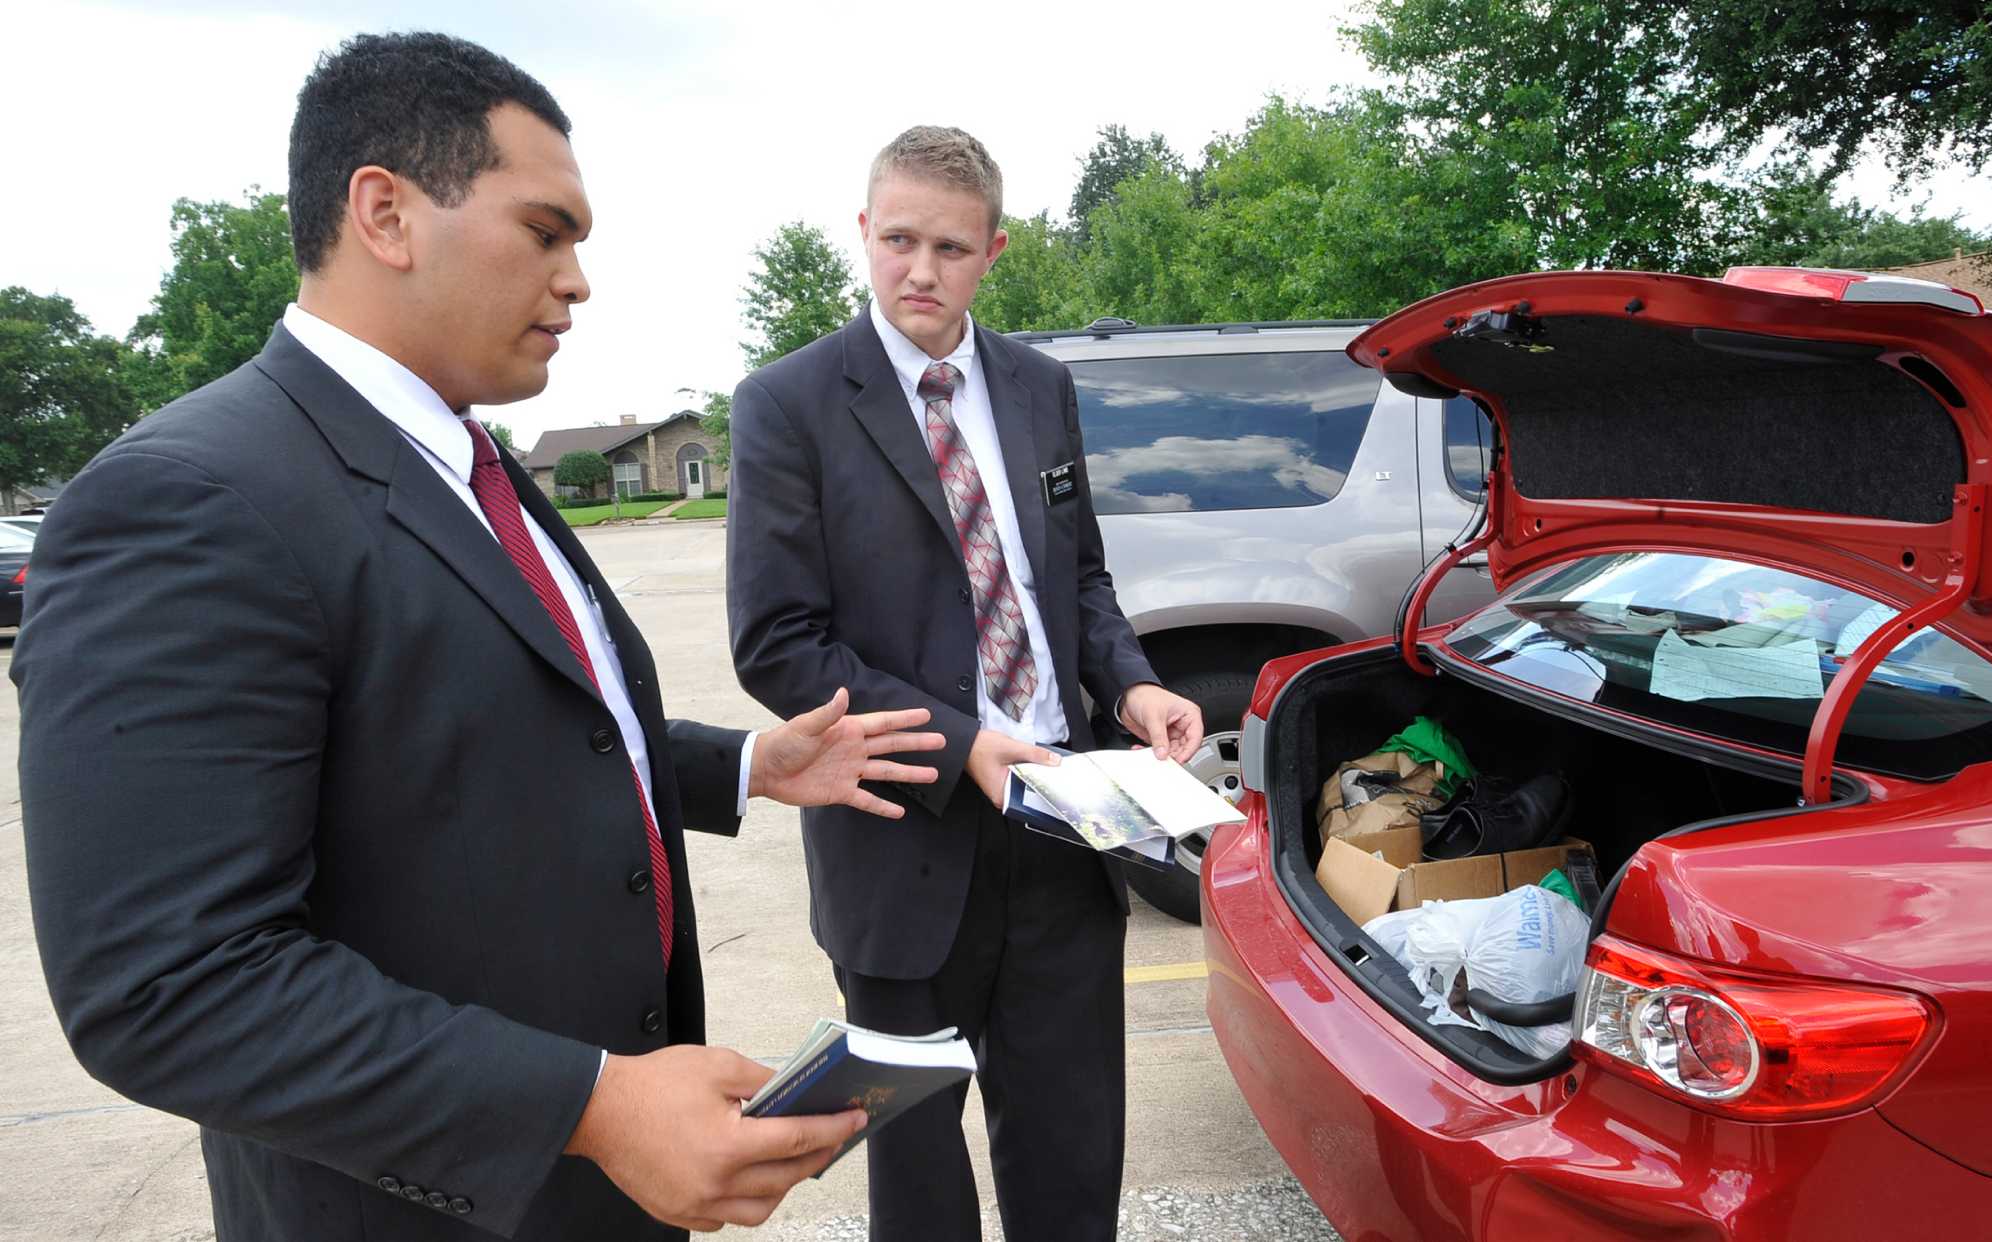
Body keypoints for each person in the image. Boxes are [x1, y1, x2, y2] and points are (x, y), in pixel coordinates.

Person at [12, 32, 946, 1242]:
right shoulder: (189, 499)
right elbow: (170, 987)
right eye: (545, 232)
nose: (577, 281)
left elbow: (476, 729)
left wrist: (743, 768)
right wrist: (592, 1105)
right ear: (386, 212)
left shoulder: (464, 457)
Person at [725, 126, 1204, 1240]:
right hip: (899, 844)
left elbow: (1075, 578)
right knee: (918, 1179)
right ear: (863, 233)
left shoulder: (1040, 388)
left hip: (1060, 831)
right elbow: (777, 642)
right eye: (897, 240)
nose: (920, 272)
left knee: (1070, 1154)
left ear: (993, 249)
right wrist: (961, 744)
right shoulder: (787, 405)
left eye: (948, 246)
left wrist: (1130, 686)